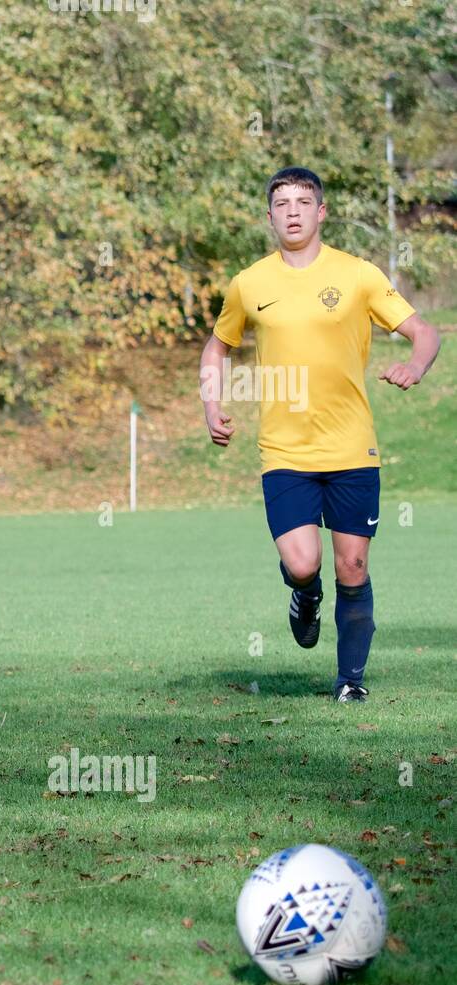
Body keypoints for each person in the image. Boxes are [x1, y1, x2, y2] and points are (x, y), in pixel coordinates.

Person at [200, 166, 440, 702]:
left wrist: (415, 367)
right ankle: (303, 595)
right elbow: (218, 346)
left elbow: (424, 331)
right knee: (303, 562)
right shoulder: (250, 282)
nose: (292, 211)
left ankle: (349, 682)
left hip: (353, 446)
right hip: (285, 452)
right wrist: (211, 402)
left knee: (352, 566)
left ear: (320, 211)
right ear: (269, 216)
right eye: (281, 203)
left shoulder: (358, 275)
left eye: (302, 202)